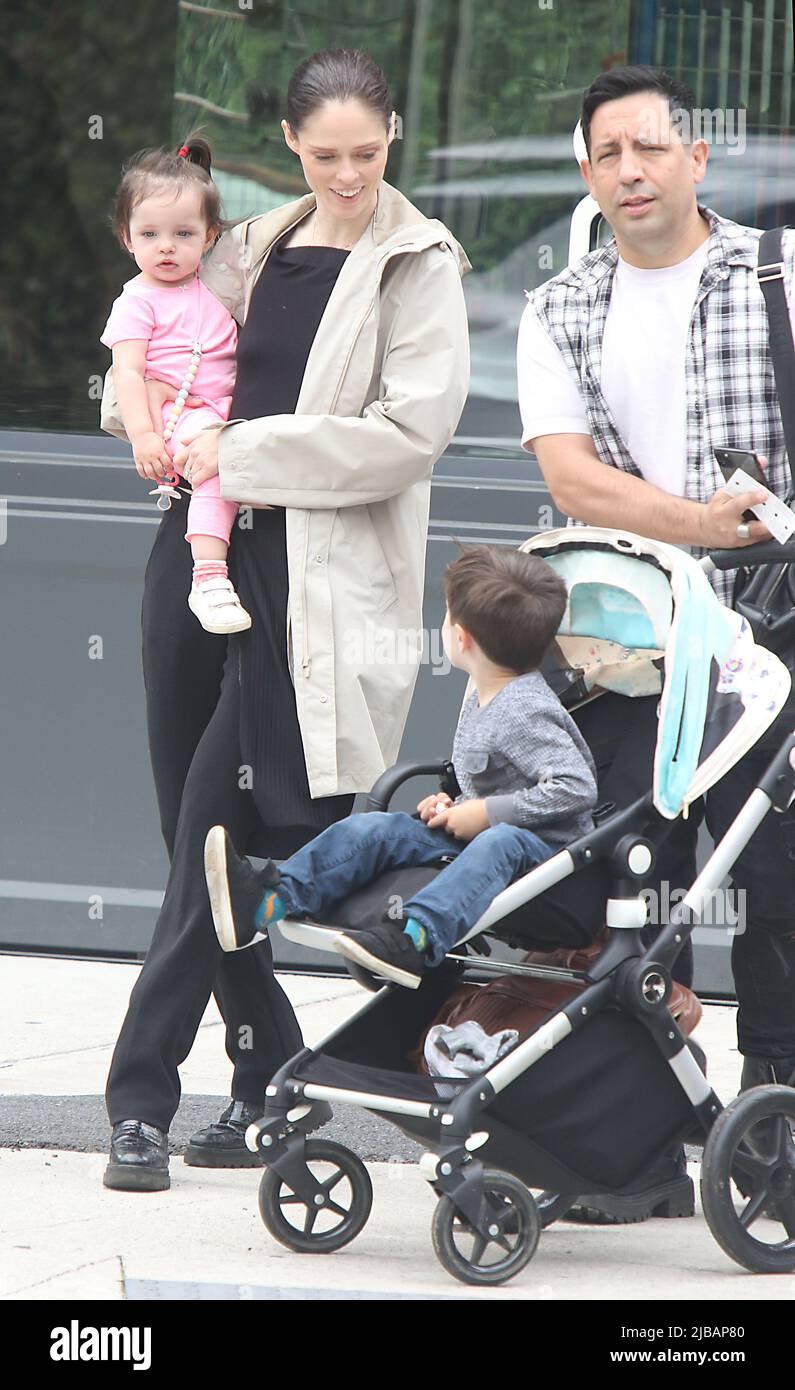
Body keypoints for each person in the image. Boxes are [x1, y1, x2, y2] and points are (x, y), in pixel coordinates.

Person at [98, 47, 471, 1192]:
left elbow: (409, 438)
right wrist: (137, 416)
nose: (349, 173)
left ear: (393, 135)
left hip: (303, 587)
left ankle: (138, 1100)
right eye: (325, 155)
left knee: (215, 835)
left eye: (368, 152)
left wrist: (242, 452)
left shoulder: (421, 263)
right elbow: (153, 364)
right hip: (193, 556)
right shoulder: (248, 243)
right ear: (292, 146)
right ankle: (264, 1071)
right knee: (193, 846)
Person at [517, 64, 795, 1222]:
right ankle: (634, 1142)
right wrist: (693, 526)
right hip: (637, 619)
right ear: (587, 174)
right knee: (634, 867)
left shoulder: (777, 274)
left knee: (776, 872)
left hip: (777, 602)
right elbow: (569, 473)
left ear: (697, 158)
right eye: (606, 155)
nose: (630, 171)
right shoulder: (561, 307)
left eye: (649, 148)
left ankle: (773, 1126)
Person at [203, 545, 598, 988]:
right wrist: (457, 802)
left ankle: (414, 939)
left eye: (447, 618)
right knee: (374, 830)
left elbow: (574, 788)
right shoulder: (483, 688)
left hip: (545, 856)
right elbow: (499, 775)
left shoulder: (524, 708)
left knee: (499, 841)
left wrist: (487, 813)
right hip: (481, 839)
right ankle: (266, 902)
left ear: (463, 638)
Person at [100, 133, 251, 635]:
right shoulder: (136, 301)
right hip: (178, 414)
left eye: (183, 234)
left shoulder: (209, 287)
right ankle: (208, 576)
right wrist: (144, 436)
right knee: (216, 469)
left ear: (209, 238)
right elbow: (127, 373)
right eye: (150, 235)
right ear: (127, 237)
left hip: (222, 407)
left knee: (232, 456)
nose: (166, 246)